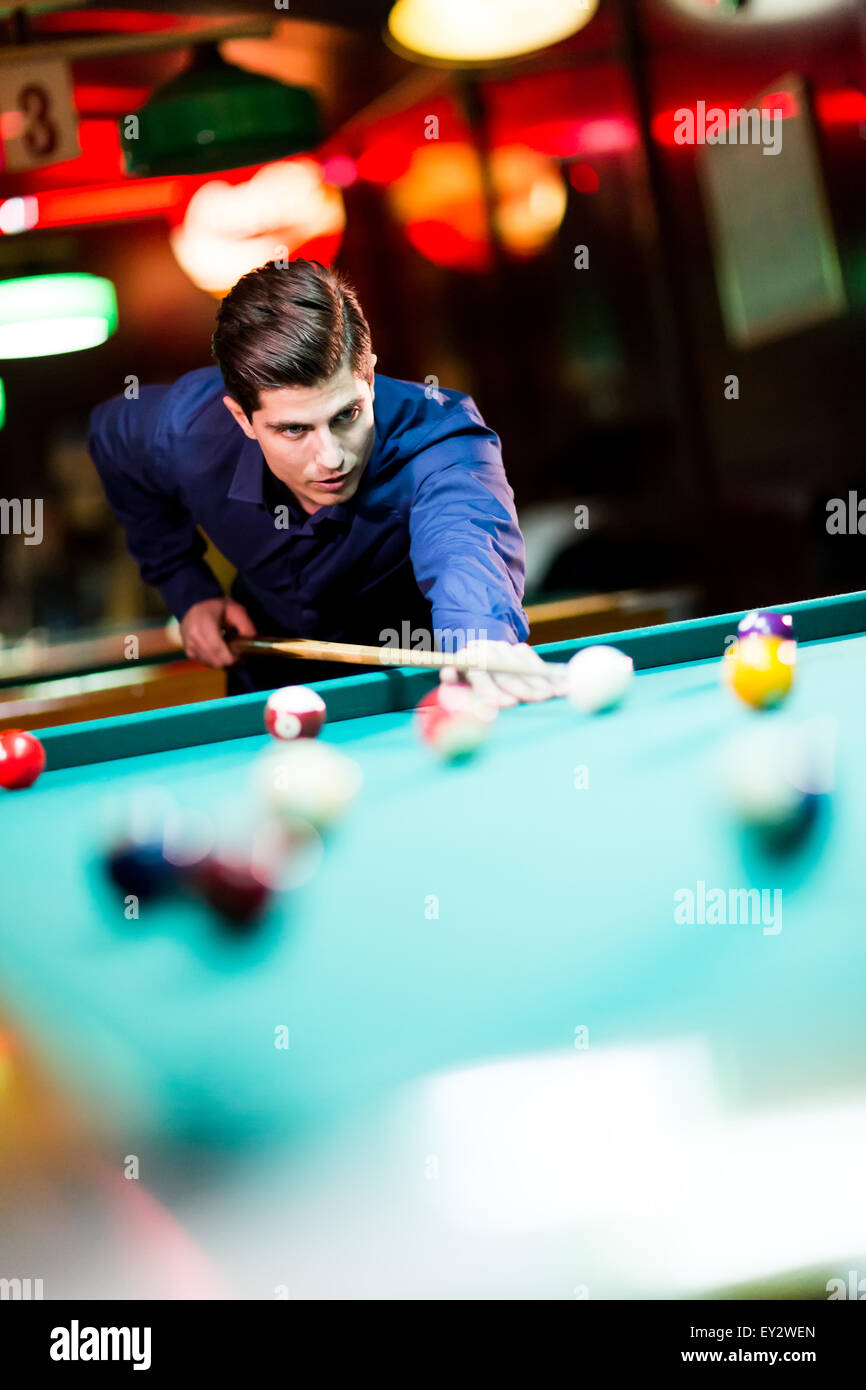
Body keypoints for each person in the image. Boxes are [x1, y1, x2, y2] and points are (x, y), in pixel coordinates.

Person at [88, 258, 552, 706]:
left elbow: (464, 538)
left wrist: (479, 638)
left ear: (367, 375)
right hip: (268, 697)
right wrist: (188, 590)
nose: (332, 457)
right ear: (242, 418)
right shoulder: (189, 431)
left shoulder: (440, 438)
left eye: (346, 414)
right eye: (294, 429)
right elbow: (111, 441)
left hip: (421, 697)